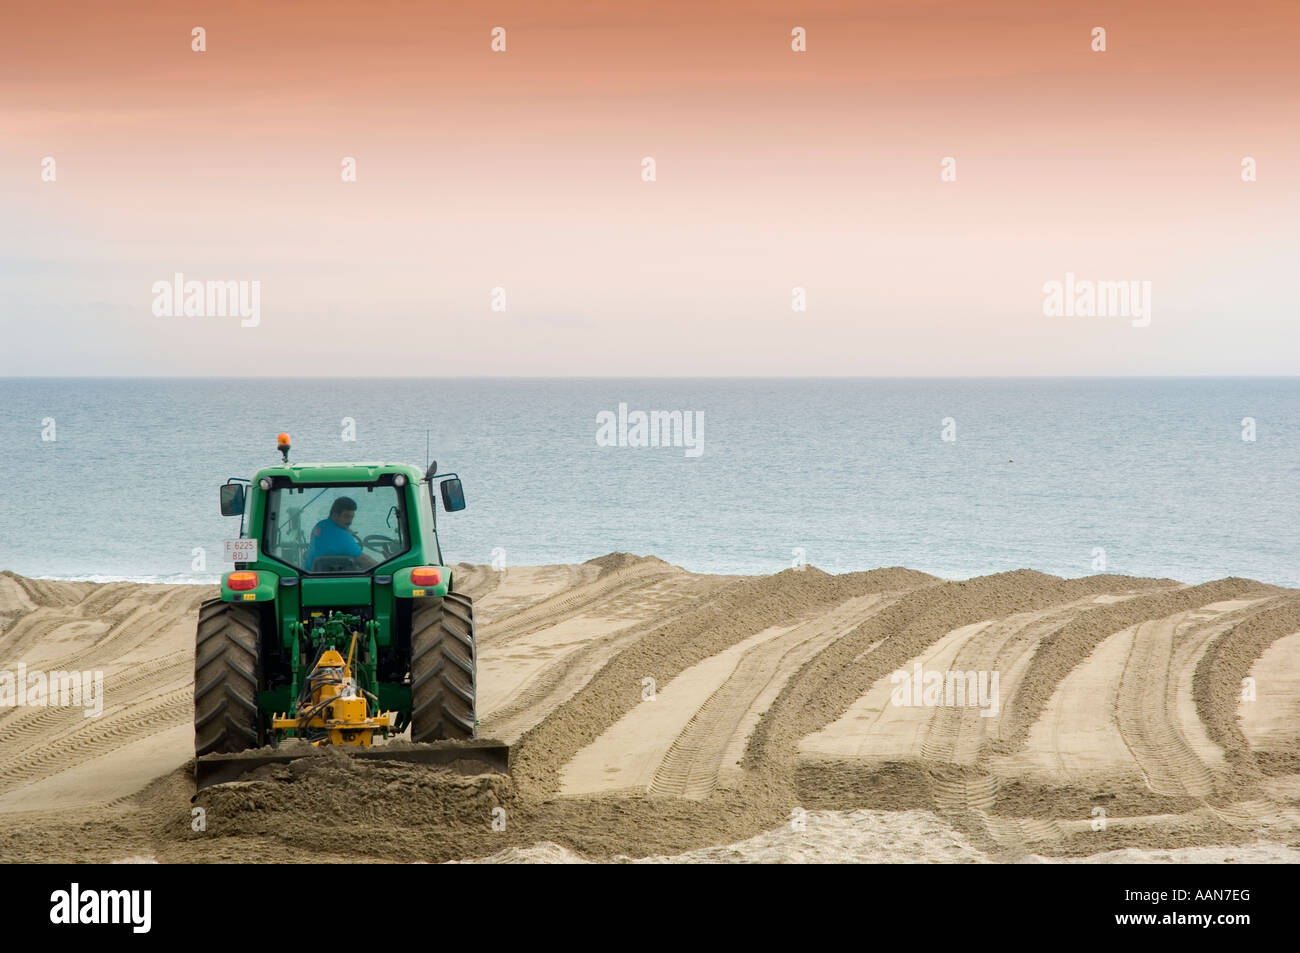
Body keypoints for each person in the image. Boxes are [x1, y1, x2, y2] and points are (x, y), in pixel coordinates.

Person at [304, 497, 376, 571]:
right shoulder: (344, 538)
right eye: (346, 516)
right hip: (332, 579)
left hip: (310, 574)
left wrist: (347, 530)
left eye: (352, 517)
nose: (350, 521)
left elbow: (334, 535)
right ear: (335, 515)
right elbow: (366, 562)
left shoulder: (319, 525)